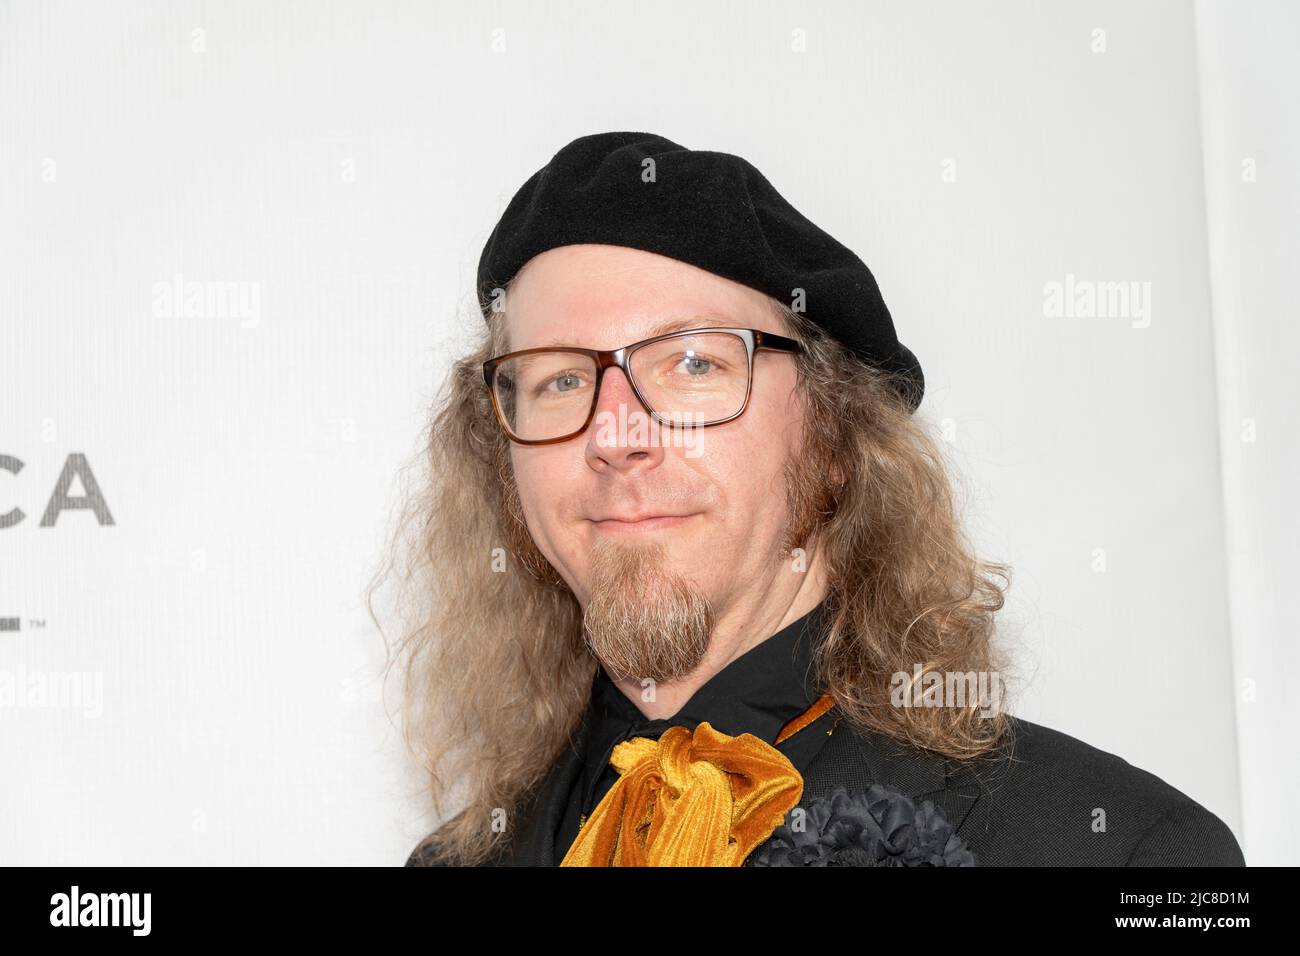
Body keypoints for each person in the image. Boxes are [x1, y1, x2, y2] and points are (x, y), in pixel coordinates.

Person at [378, 132, 1244, 867]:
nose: (616, 435)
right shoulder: (461, 859)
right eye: (562, 378)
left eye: (692, 364)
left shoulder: (1120, 850)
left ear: (834, 440)